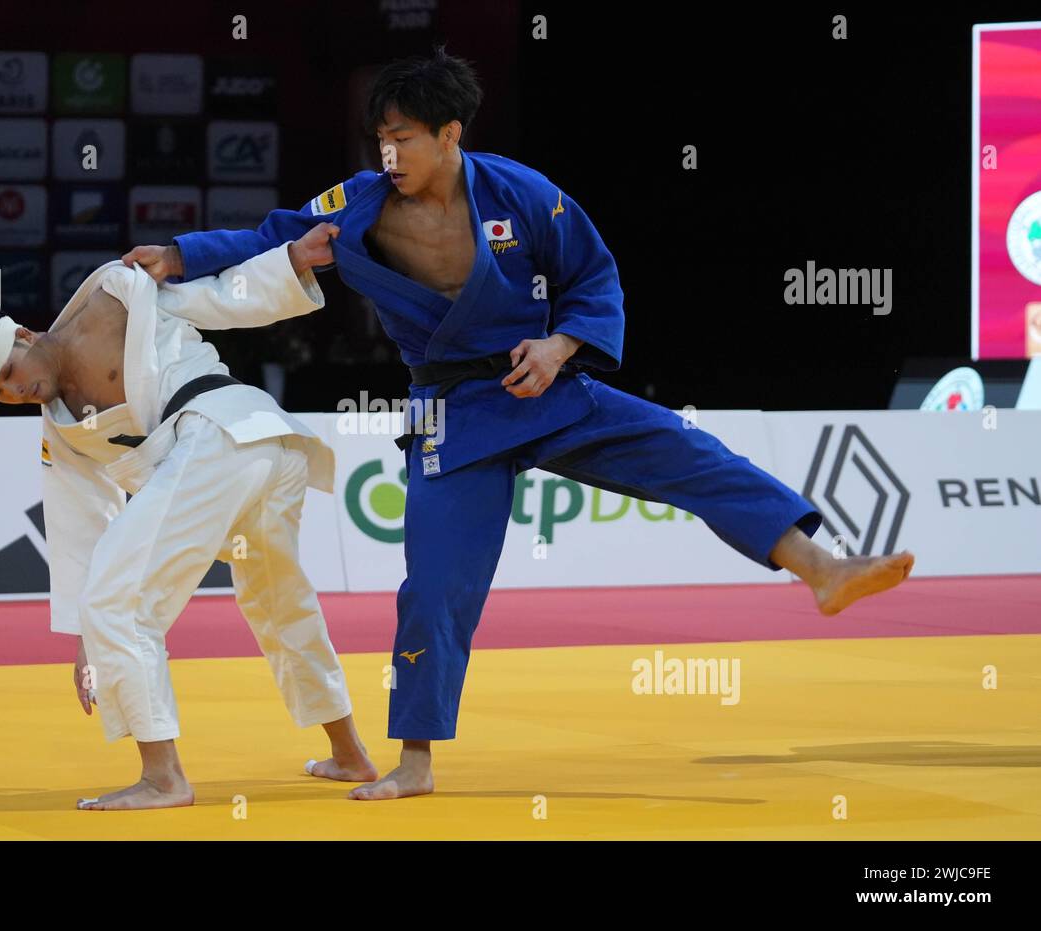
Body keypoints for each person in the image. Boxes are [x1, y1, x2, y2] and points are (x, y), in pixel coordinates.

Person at [122, 49, 915, 801]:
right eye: (381, 138)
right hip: (453, 412)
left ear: (450, 136)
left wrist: (562, 342)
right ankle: (415, 761)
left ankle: (822, 568)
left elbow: (593, 276)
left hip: (546, 387)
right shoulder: (358, 204)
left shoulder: (525, 195)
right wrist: (179, 253)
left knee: (692, 453)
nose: (389, 153)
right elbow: (272, 234)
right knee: (434, 587)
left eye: (404, 138)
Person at [0, 225, 376, 810]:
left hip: (228, 431)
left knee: (120, 603)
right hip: (254, 455)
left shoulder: (115, 294)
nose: (14, 392)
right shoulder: (60, 429)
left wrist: (289, 260)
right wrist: (85, 641)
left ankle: (163, 777)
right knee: (276, 599)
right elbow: (78, 525)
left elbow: (218, 297)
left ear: (21, 333)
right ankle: (349, 754)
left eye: (9, 374)